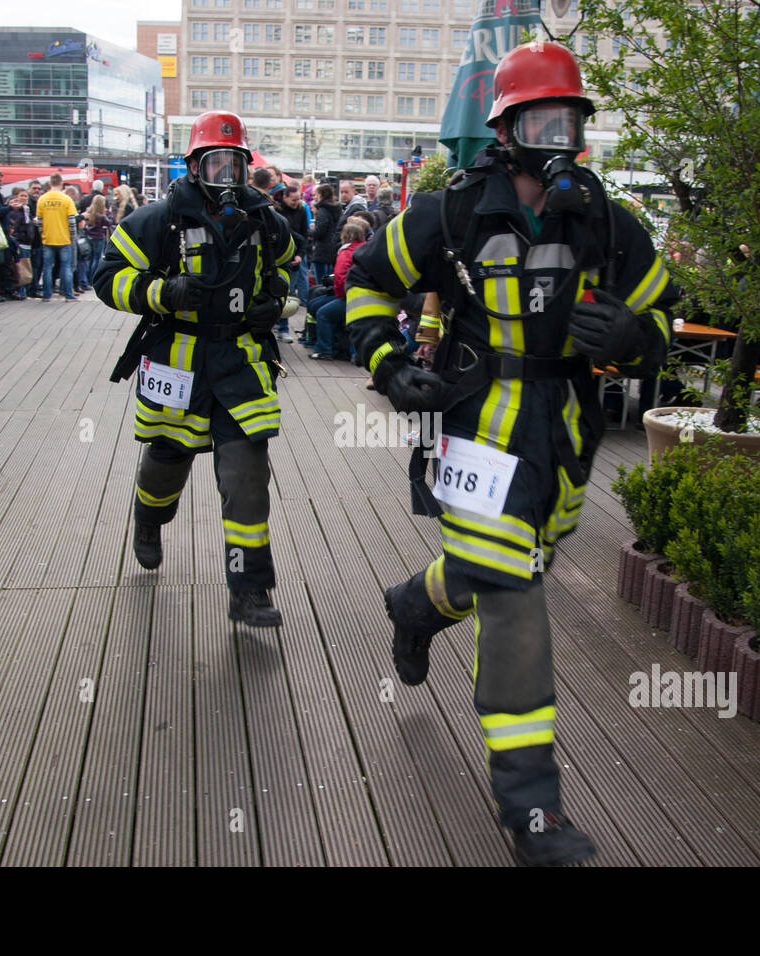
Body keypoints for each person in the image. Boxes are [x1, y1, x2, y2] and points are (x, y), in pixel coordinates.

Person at [345, 41, 676, 866]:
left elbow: (666, 321)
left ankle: (419, 603)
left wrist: (637, 340)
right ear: (507, 127)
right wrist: (388, 363)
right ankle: (532, 811)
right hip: (477, 422)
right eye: (541, 119)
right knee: (515, 603)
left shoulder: (607, 221)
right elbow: (364, 279)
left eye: (569, 119)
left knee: (509, 566)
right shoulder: (453, 212)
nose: (557, 136)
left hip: (563, 432)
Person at [94, 110, 295, 627]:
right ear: (193, 166)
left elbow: (285, 269)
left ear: (246, 167)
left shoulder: (266, 220)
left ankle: (247, 591)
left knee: (248, 474)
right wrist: (161, 292)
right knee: (168, 459)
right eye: (215, 164)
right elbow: (107, 277)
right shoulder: (158, 219)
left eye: (234, 165)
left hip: (240, 363)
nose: (225, 176)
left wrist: (275, 300)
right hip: (178, 361)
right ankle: (149, 519)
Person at [308, 219, 367, 360]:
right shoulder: (364, 248)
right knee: (316, 304)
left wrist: (337, 290)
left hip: (349, 297)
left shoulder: (346, 253)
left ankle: (324, 349)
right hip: (362, 296)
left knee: (322, 312)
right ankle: (334, 344)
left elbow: (340, 279)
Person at [36, 172, 78, 303]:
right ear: (61, 184)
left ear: (50, 183)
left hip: (48, 238)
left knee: (47, 267)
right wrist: (72, 236)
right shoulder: (66, 200)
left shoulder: (42, 199)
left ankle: (47, 295)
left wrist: (43, 234)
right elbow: (72, 221)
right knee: (66, 267)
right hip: (64, 238)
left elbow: (39, 221)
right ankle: (68, 294)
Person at [275, 185, 309, 343]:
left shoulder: (301, 210)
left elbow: (304, 234)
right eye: (294, 199)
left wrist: (300, 255)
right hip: (277, 258)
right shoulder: (277, 210)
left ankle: (283, 328)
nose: (297, 202)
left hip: (293, 259)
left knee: (286, 295)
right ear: (285, 197)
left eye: (299, 199)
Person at [309, 182, 341, 287]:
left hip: (322, 250)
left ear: (321, 195)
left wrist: (309, 232)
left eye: (316, 195)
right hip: (333, 249)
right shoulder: (337, 209)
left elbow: (320, 232)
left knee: (321, 283)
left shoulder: (322, 211)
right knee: (330, 280)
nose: (314, 197)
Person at [82, 195, 112, 289]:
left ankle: (86, 279)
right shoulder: (101, 216)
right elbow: (109, 223)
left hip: (89, 238)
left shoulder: (89, 213)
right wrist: (109, 213)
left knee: (89, 259)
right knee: (97, 259)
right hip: (98, 238)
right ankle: (92, 278)